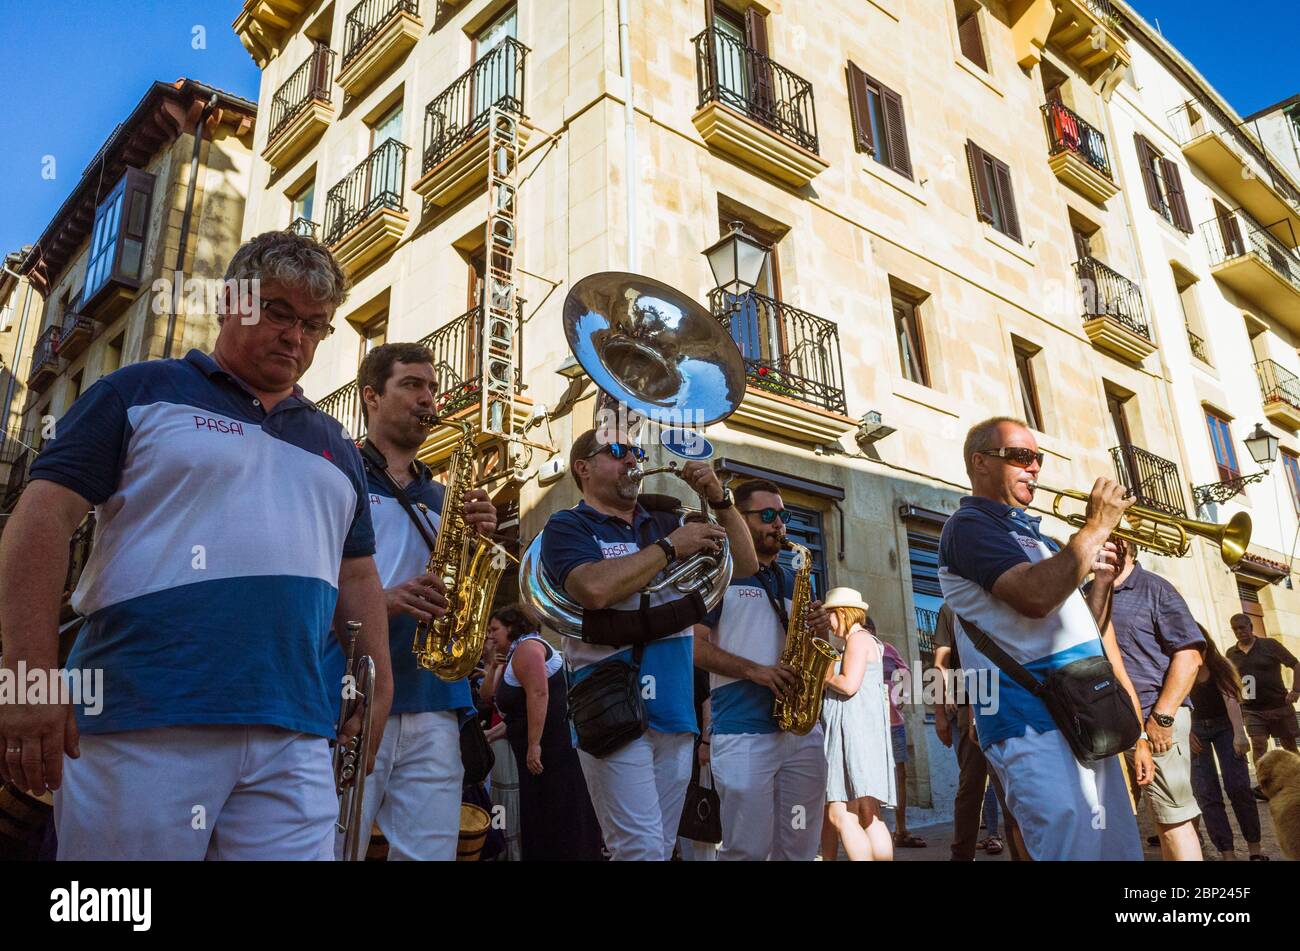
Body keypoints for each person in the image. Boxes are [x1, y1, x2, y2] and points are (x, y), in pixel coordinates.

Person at [0, 231, 391, 859]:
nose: (297, 338)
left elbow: (360, 581)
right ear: (229, 301)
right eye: (278, 312)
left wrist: (380, 694)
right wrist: (27, 679)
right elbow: (40, 522)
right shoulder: (135, 391)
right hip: (141, 715)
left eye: (316, 325)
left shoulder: (338, 448)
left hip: (295, 732)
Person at [937, 416, 1152, 860]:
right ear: (980, 463)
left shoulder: (1034, 534)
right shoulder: (970, 526)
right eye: (1020, 456)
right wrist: (1094, 529)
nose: (1034, 467)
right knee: (1069, 847)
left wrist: (1103, 580)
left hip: (1079, 711)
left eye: (1038, 457)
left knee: (1115, 850)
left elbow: (1077, 624)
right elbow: (1034, 597)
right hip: (1028, 719)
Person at [537, 428, 758, 860]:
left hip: (674, 705)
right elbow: (594, 589)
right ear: (583, 467)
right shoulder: (568, 525)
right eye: (618, 452)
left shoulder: (665, 518)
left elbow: (745, 564)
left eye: (637, 451)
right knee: (636, 848)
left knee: (657, 845)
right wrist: (670, 549)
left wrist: (719, 499)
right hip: (611, 702)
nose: (633, 460)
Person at [335, 341, 499, 860]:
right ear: (371, 397)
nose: (428, 398)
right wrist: (381, 601)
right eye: (411, 385)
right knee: (332, 848)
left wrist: (480, 543)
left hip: (436, 701)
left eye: (431, 386)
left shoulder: (444, 497)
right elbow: (310, 583)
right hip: (348, 697)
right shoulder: (340, 474)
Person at [692, 479, 831, 861]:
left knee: (801, 848)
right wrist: (756, 671)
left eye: (782, 516)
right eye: (767, 515)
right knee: (747, 850)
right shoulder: (721, 574)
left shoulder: (793, 578)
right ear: (740, 518)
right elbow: (693, 647)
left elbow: (818, 649)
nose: (778, 524)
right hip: (743, 729)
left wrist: (821, 630)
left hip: (801, 732)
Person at [1084, 539, 1205, 861]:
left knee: (1173, 820)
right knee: (1120, 821)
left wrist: (1162, 719)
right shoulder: (1090, 592)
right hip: (1113, 724)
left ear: (1127, 546)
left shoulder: (1156, 589)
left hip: (1155, 719)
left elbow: (1190, 657)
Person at [482, 604, 603, 861]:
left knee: (557, 818)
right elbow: (512, 711)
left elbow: (539, 693)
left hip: (552, 754)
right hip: (539, 756)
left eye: (494, 629)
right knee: (541, 818)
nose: (489, 635)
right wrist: (492, 734)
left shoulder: (527, 649)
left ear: (512, 627)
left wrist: (534, 744)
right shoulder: (515, 654)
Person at [932, 602, 1014, 860]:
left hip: (1005, 702)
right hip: (968, 707)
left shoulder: (1001, 600)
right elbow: (940, 665)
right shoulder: (950, 609)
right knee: (972, 785)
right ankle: (962, 855)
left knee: (1010, 786)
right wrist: (939, 715)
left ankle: (1023, 852)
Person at [819, 590, 894, 861]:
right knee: (869, 814)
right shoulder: (867, 640)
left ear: (842, 612)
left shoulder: (857, 640)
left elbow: (848, 685)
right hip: (865, 736)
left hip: (853, 736)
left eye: (830, 614)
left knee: (840, 815)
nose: (828, 621)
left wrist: (824, 673)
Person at [1188, 625, 1266, 861]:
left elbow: (1231, 699)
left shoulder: (1220, 665)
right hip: (1196, 731)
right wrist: (1186, 732)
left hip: (1225, 727)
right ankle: (1227, 854)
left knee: (1239, 788)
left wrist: (1239, 734)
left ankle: (1255, 851)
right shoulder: (1178, 666)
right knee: (1207, 793)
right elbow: (1177, 702)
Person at [1226, 613, 1299, 795]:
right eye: (1235, 629)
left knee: (1288, 744)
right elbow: (1231, 678)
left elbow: (1296, 665)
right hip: (1252, 709)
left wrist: (1296, 690)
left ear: (1251, 627)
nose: (1239, 632)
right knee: (1258, 744)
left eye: (1242, 627)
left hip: (1279, 706)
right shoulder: (1231, 653)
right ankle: (1264, 785)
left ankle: (1297, 779)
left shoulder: (1269, 645)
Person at [877, 624, 925, 849]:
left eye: (869, 629)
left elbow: (905, 670)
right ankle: (877, 828)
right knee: (874, 776)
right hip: (871, 726)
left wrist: (903, 696)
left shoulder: (888, 649)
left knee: (900, 774)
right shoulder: (851, 651)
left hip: (894, 723)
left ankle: (901, 828)